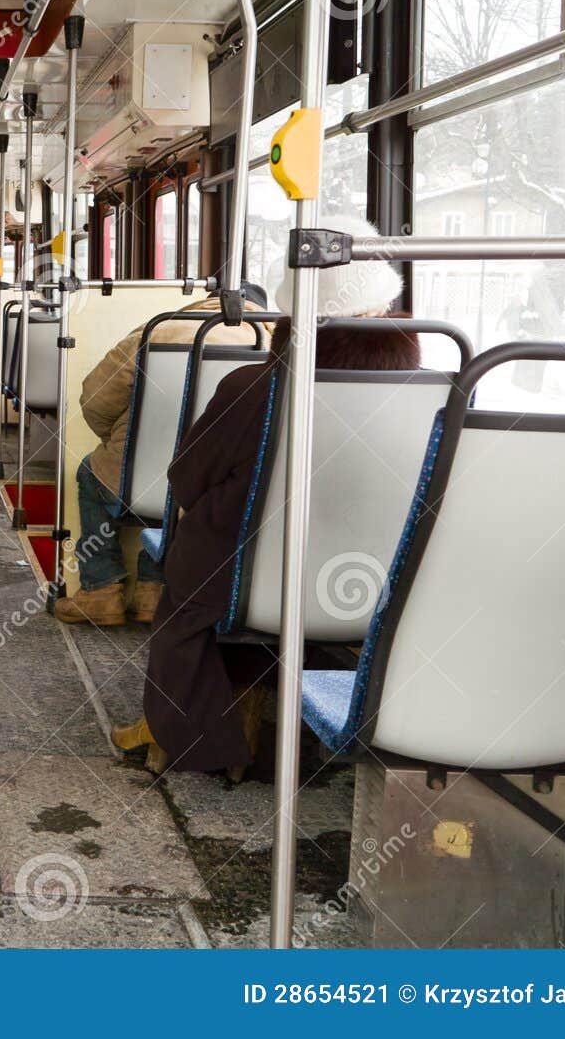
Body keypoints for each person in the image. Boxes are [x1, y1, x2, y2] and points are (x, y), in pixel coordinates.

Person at [112, 217, 418, 776]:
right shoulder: (429, 397)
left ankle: (196, 738)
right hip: (376, 585)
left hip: (247, 581)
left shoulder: (254, 389)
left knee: (188, 585)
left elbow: (187, 483)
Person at [55, 283, 269, 628]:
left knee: (90, 473)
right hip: (212, 490)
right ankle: (154, 591)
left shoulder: (156, 330)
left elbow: (95, 401)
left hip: (132, 480)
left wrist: (115, 441)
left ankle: (101, 589)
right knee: (186, 495)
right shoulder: (275, 344)